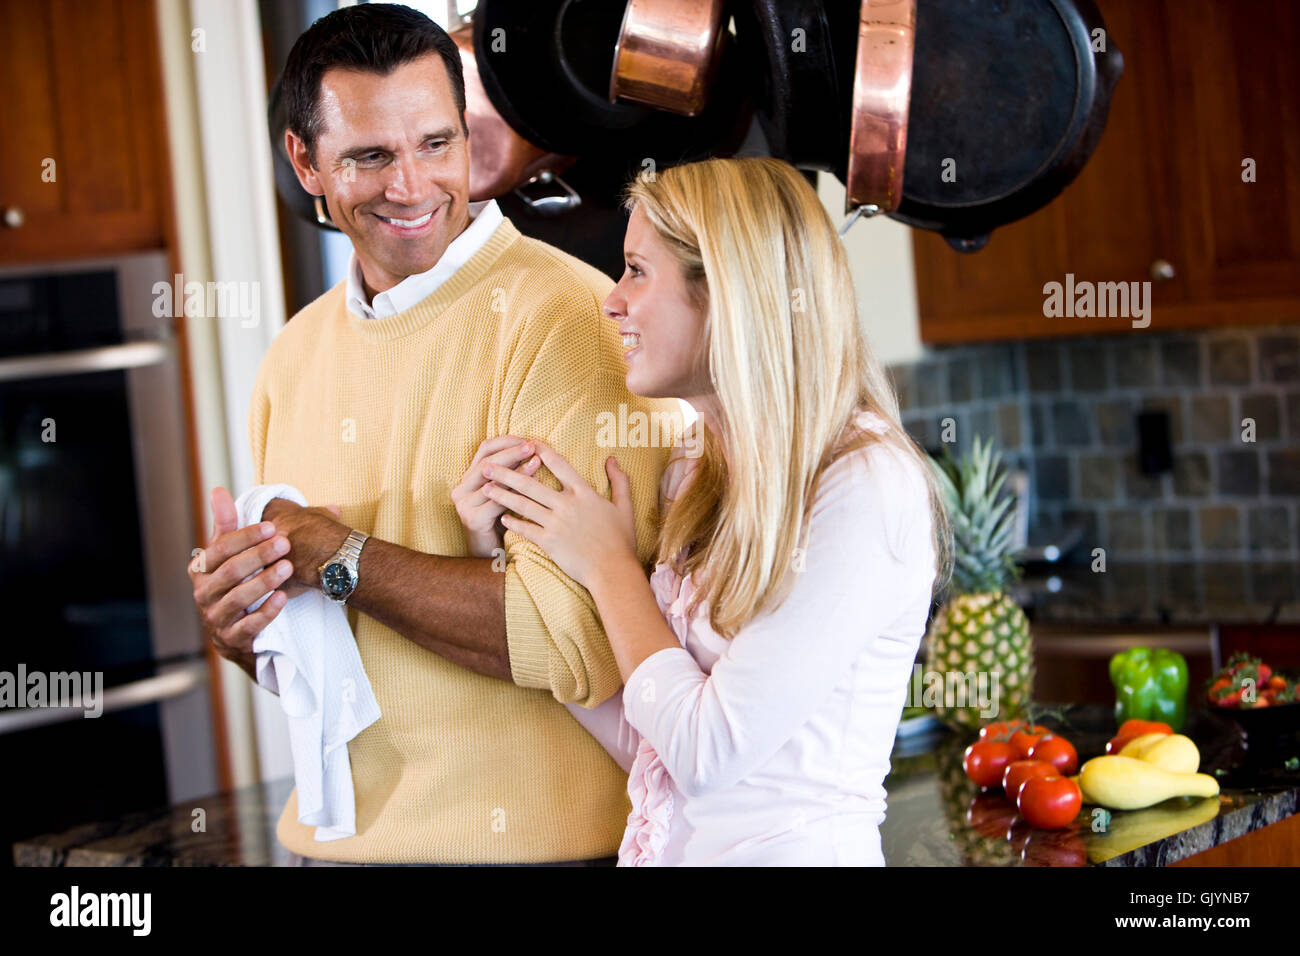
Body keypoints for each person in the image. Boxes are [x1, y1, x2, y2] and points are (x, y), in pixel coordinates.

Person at [187, 3, 681, 865]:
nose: (411, 187)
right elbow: (326, 652)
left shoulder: (569, 320)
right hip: (327, 851)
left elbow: (580, 640)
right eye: (370, 156)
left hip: (542, 853)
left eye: (436, 145)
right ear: (306, 162)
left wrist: (339, 557)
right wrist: (247, 625)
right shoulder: (291, 358)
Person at [456, 156, 953, 865]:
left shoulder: (865, 481)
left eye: (637, 270)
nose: (612, 300)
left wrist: (609, 568)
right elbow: (650, 744)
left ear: (724, 289)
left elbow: (707, 751)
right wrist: (503, 558)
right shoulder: (697, 469)